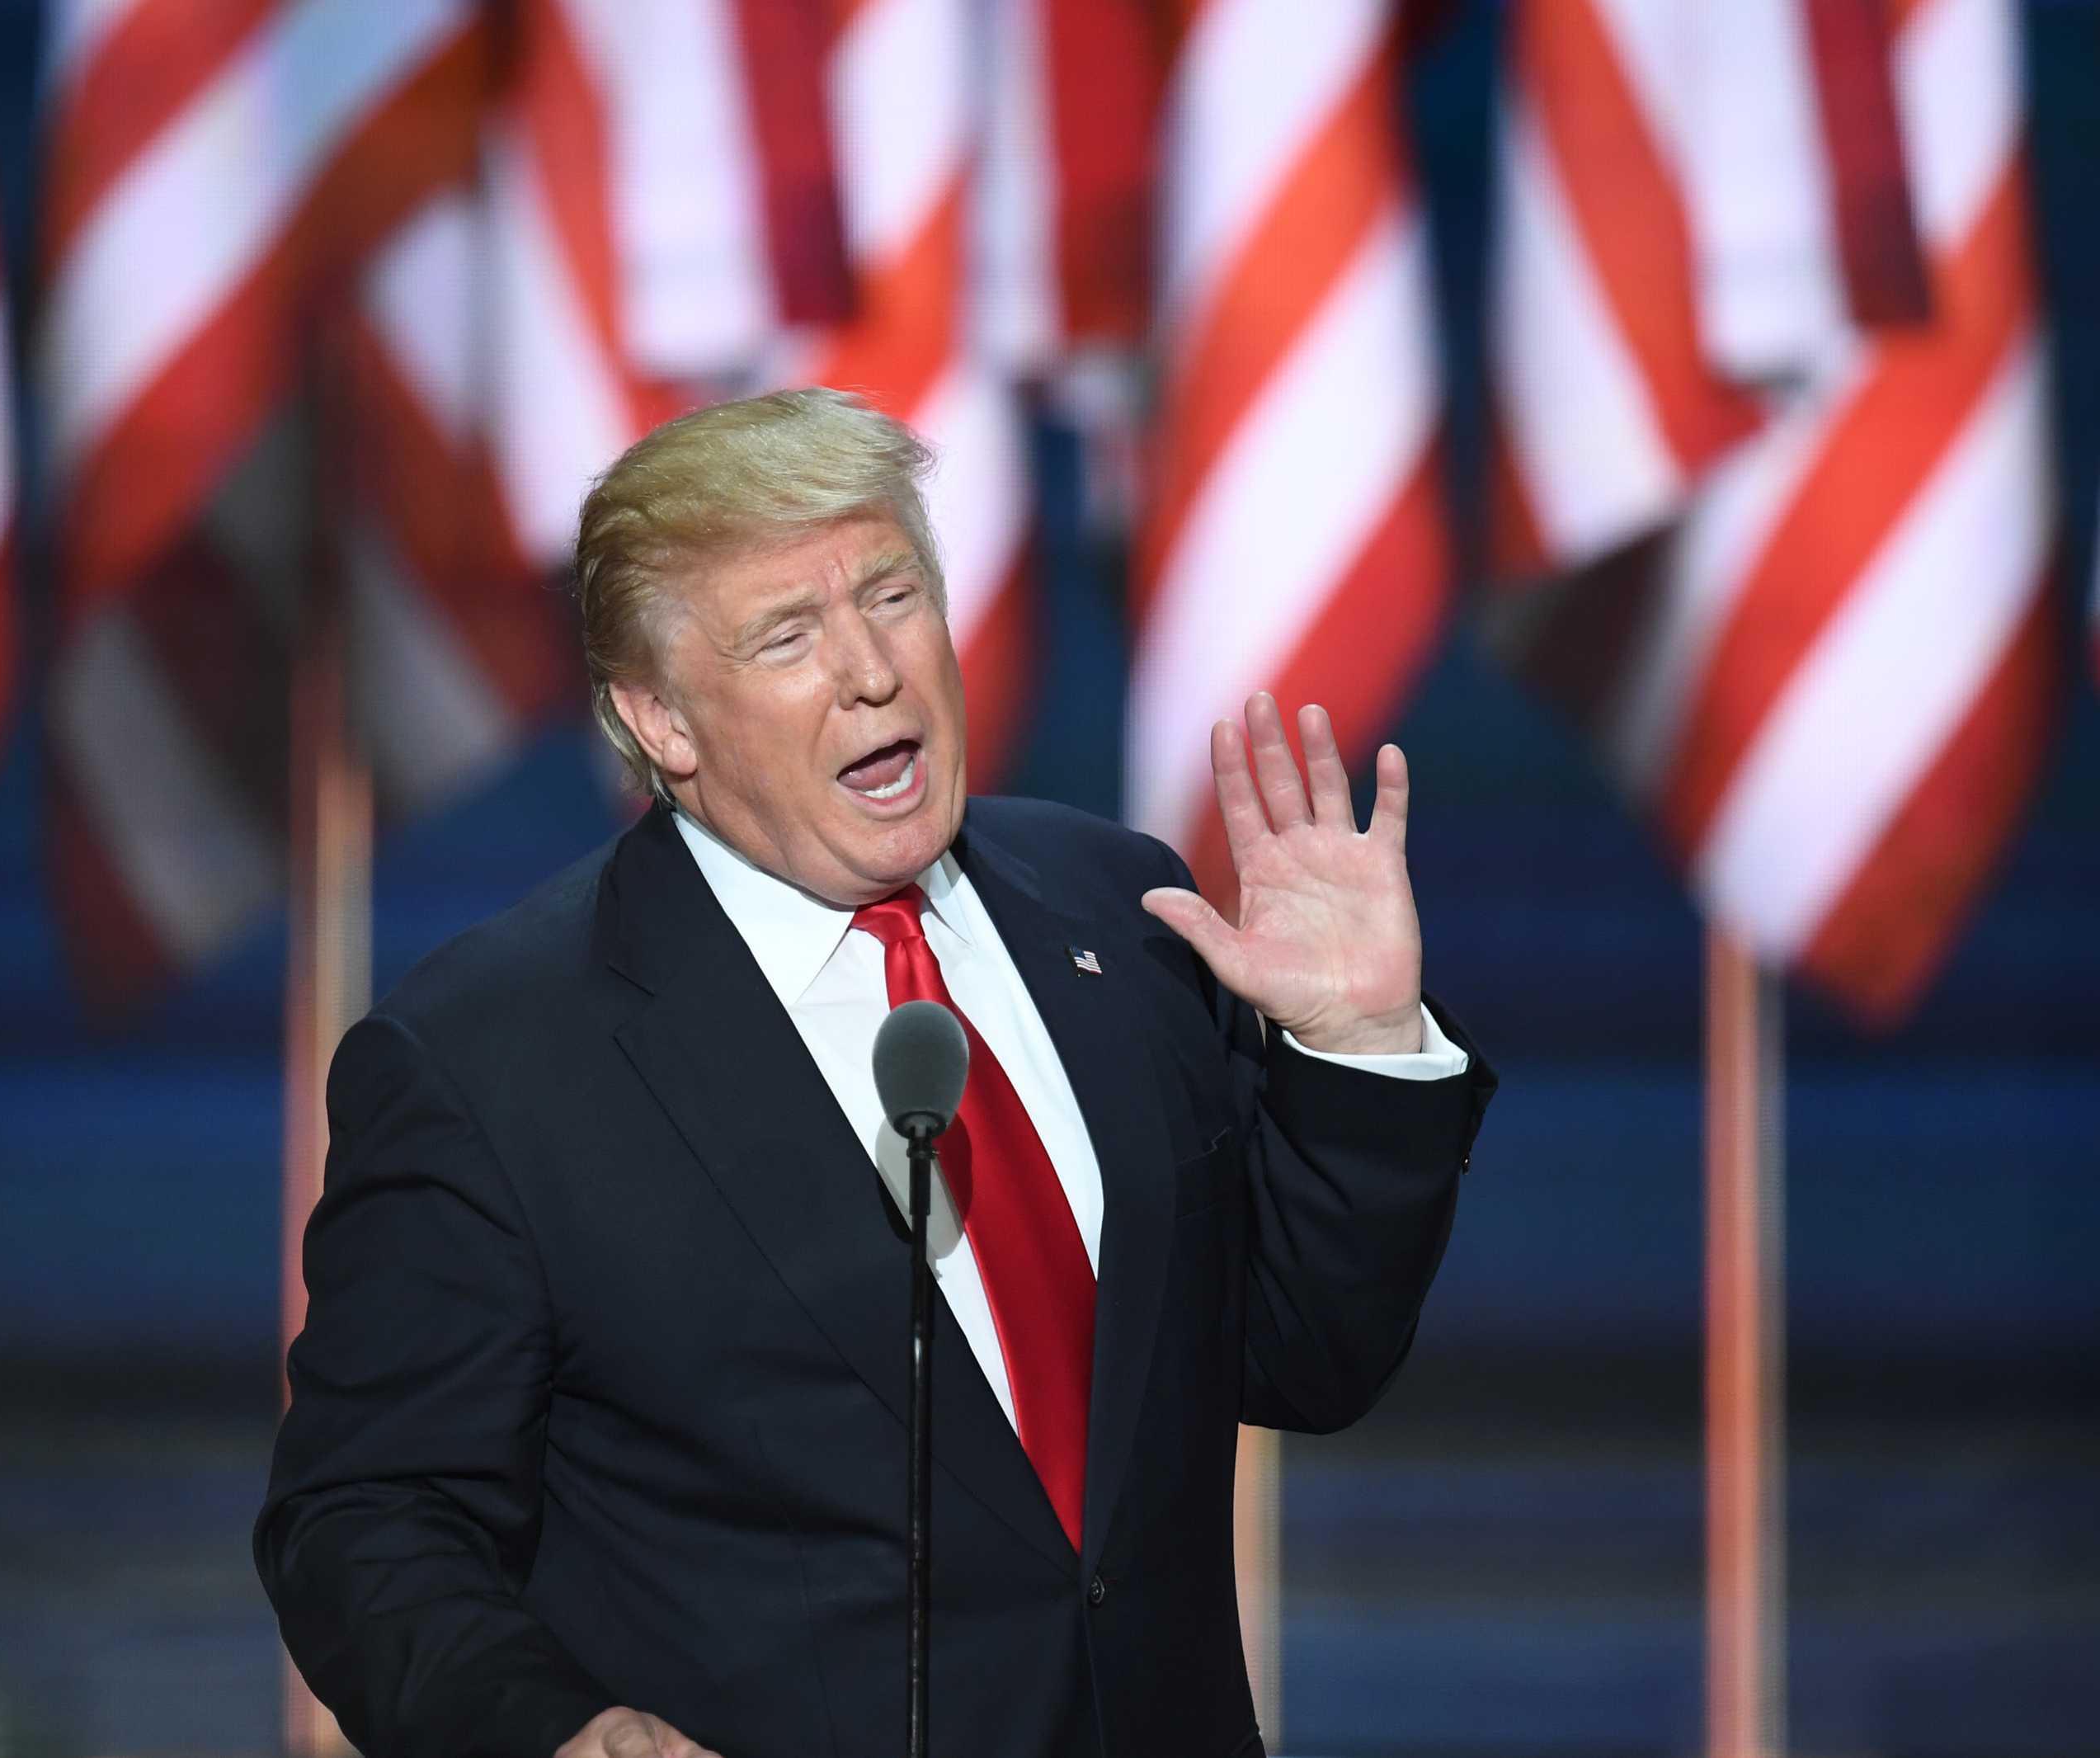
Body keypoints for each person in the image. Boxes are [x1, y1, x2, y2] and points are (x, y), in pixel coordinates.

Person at [255, 389, 1496, 1758]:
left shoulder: (1119, 913)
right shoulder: (493, 1061)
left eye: (893, 596)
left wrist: (1359, 1044)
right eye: (789, 636)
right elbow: (364, 1521)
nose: (872, 670)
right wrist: (555, 1731)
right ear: (661, 720)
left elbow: (1301, 1358)